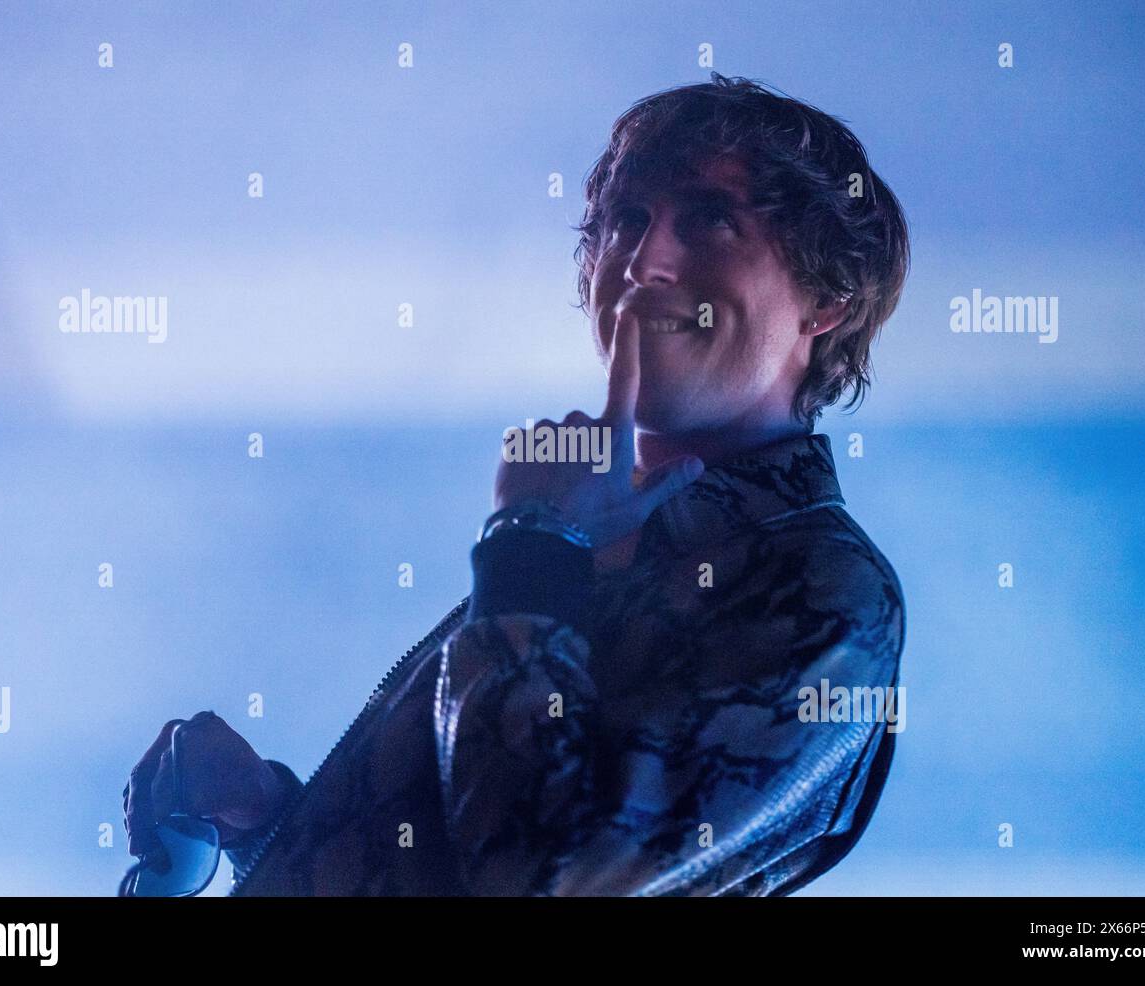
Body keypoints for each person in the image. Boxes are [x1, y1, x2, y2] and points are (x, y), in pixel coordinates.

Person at [123, 73, 910, 896]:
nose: (645, 262)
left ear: (828, 299)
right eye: (627, 222)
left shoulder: (826, 589)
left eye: (710, 219)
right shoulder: (597, 532)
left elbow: (548, 880)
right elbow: (472, 845)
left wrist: (532, 546)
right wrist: (268, 823)